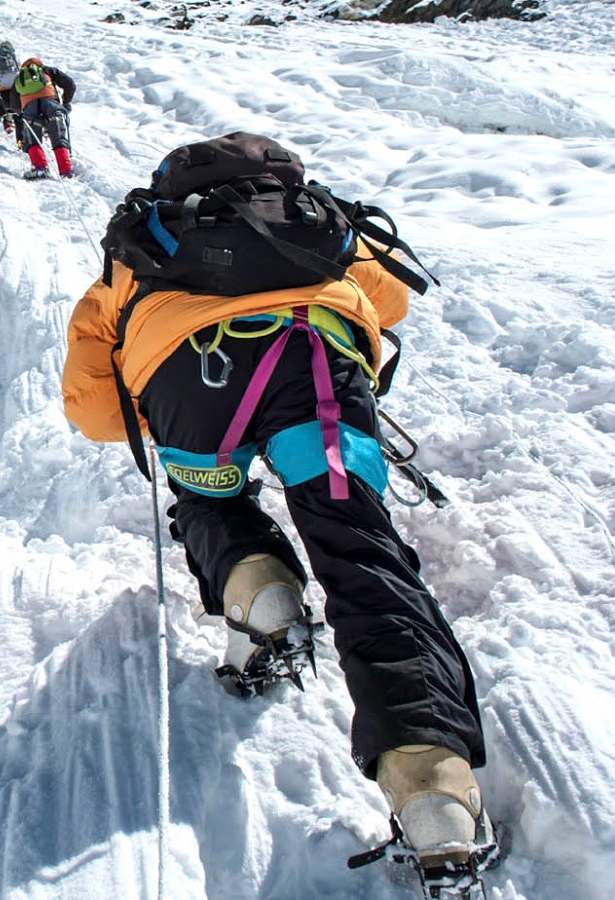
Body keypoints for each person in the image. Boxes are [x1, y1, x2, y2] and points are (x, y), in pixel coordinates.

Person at [61, 133, 490, 875]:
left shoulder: (140, 246)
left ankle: (260, 599)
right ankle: (432, 792)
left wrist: (157, 395)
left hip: (192, 379)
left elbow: (97, 412)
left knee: (212, 505)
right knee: (358, 545)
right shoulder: (312, 219)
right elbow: (388, 303)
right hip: (317, 362)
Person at [8, 57, 75, 178]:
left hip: (30, 109)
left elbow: (13, 104)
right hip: (51, 105)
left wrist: (23, 109)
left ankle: (40, 168)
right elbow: (70, 84)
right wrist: (65, 102)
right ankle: (66, 171)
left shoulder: (19, 78)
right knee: (58, 137)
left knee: (32, 140)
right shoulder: (47, 71)